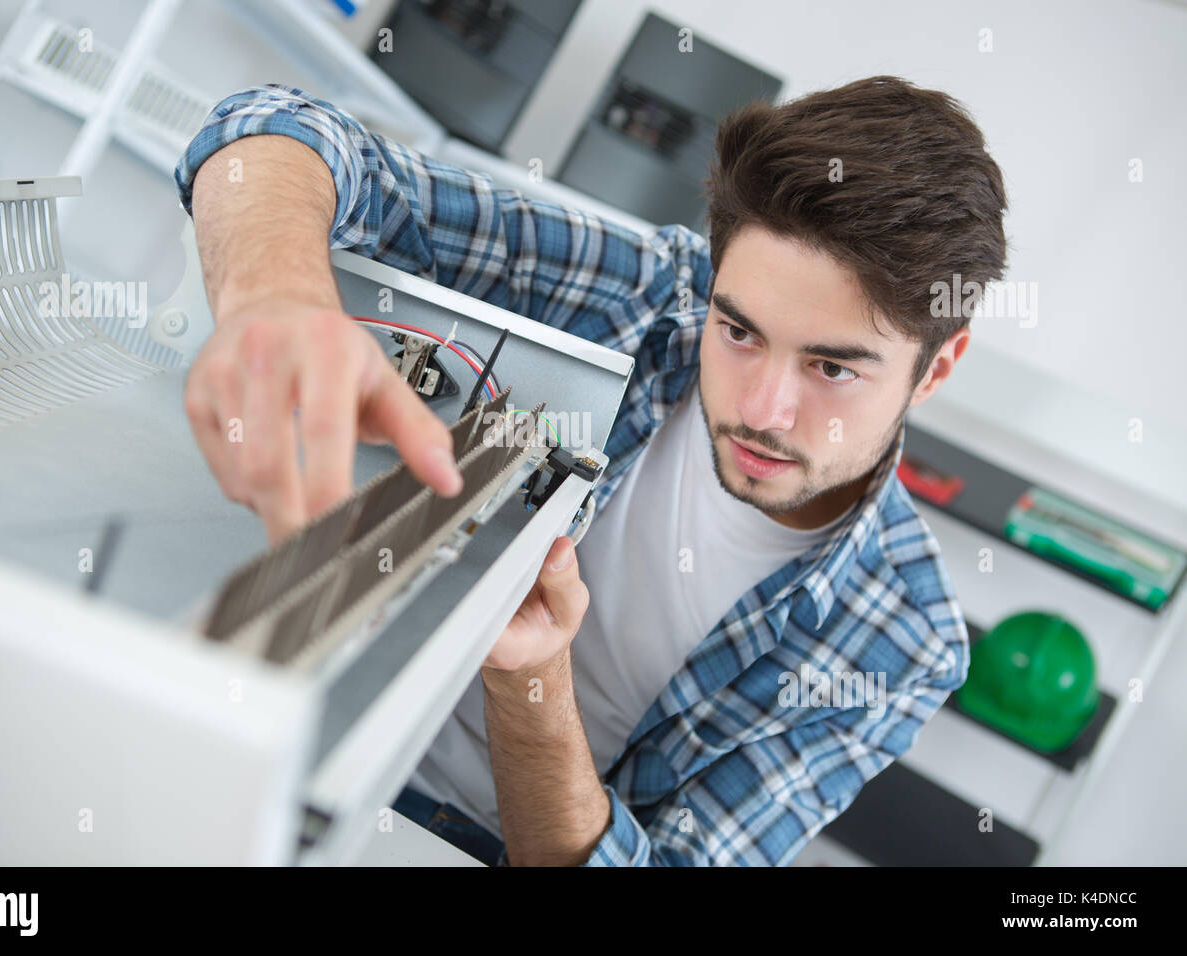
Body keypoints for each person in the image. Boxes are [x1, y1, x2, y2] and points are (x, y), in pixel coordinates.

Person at [174, 74, 1007, 866]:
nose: (762, 408)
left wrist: (532, 683)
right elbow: (272, 129)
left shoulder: (901, 638)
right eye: (739, 330)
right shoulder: (647, 292)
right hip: (281, 723)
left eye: (832, 368)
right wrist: (273, 301)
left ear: (935, 370)